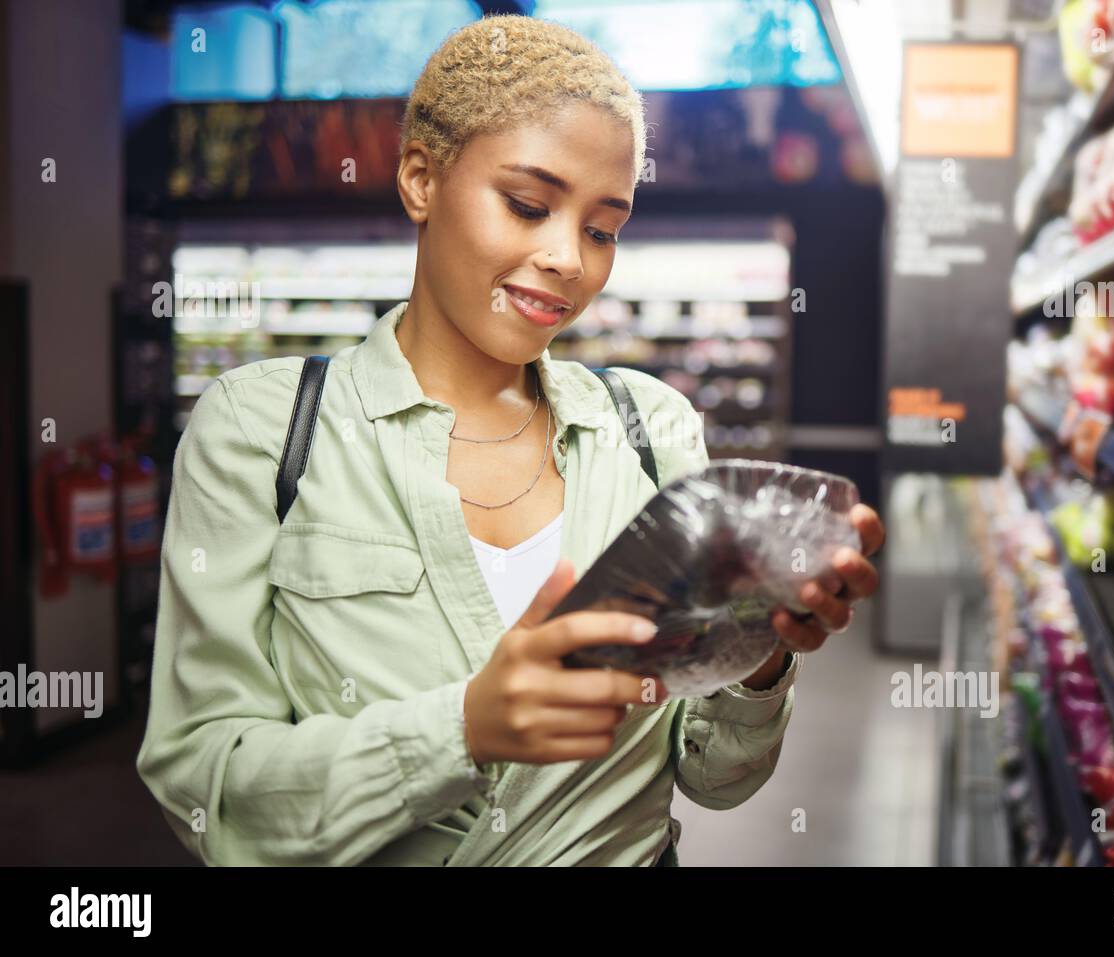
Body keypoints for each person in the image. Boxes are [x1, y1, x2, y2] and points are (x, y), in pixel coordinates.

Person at [136, 14, 884, 867]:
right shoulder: (263, 430)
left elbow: (712, 776)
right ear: (420, 178)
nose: (569, 257)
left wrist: (757, 653)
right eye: (528, 204)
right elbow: (205, 785)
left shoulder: (652, 431)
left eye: (604, 229)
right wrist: (461, 731)